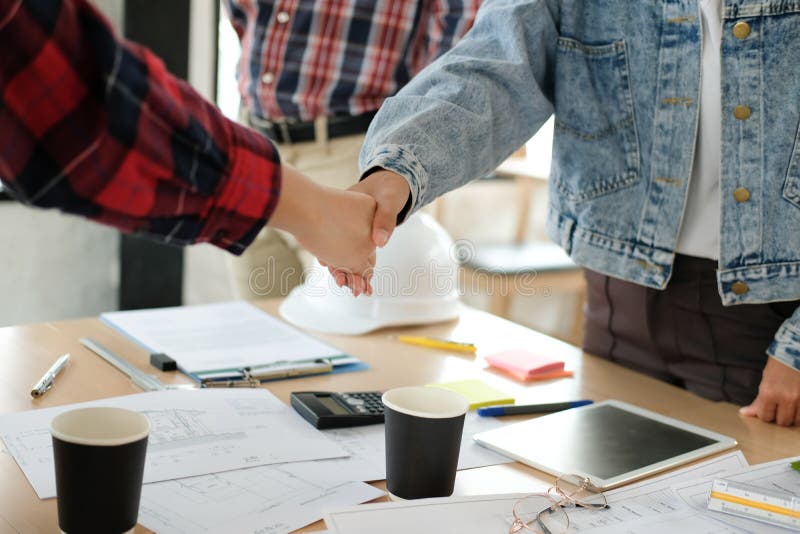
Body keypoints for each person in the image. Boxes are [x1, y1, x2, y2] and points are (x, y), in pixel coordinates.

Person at [345, 0, 800, 425]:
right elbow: (495, 64)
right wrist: (396, 170)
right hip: (618, 297)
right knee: (611, 479)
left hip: (771, 322)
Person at [0, 0, 375, 294]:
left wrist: (315, 208)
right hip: (265, 140)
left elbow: (89, 114)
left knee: (355, 347)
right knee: (269, 340)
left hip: (347, 155)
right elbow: (86, 120)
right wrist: (311, 209)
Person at [221, 0, 480, 298]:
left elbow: (461, 58)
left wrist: (406, 153)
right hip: (253, 143)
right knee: (259, 316)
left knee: (358, 317)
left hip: (358, 156)